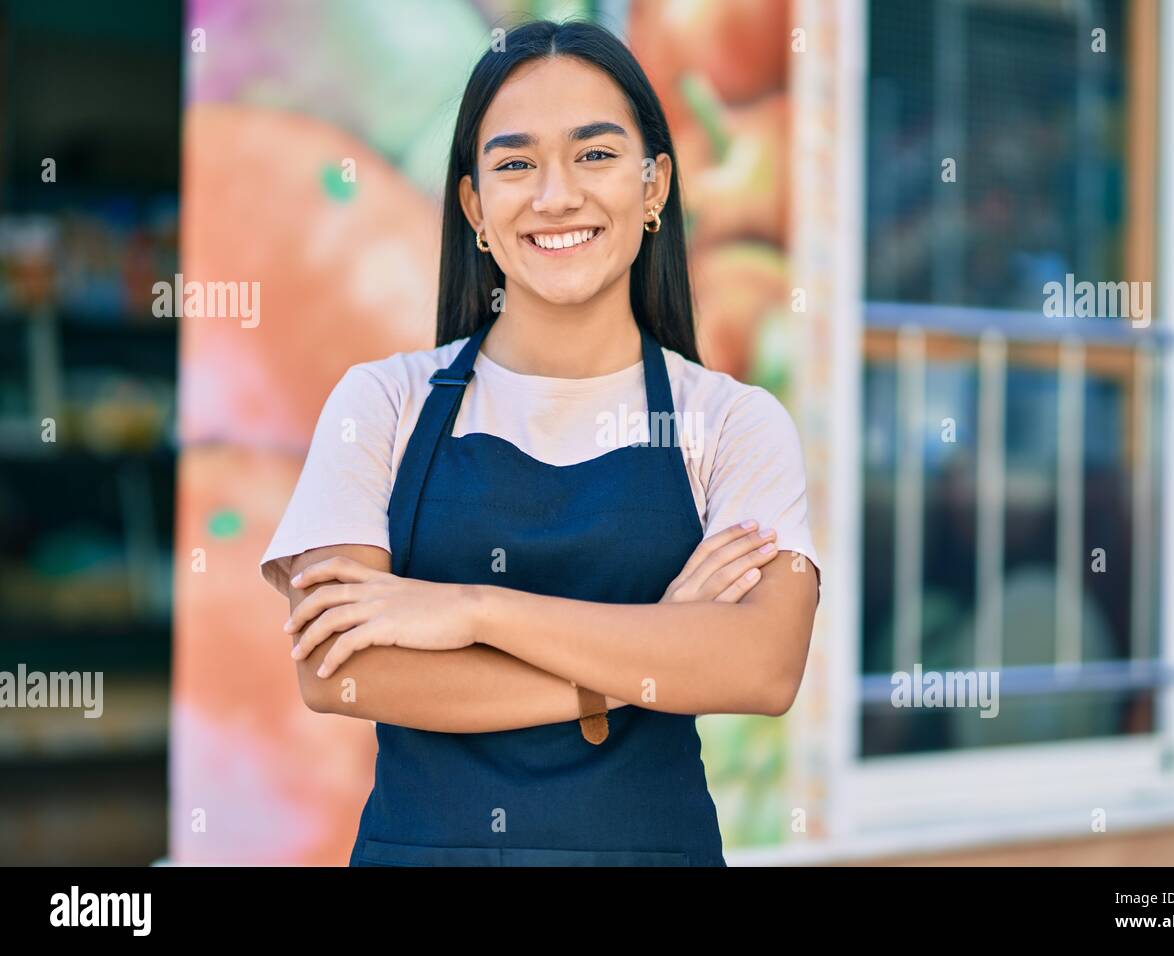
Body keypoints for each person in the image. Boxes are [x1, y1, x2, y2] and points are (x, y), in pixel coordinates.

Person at [260, 18, 820, 867]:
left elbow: (762, 667)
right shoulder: (381, 403)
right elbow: (341, 672)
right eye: (516, 163)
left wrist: (468, 609)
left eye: (595, 154)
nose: (556, 195)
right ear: (476, 206)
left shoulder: (734, 422)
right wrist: (644, 656)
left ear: (654, 184)